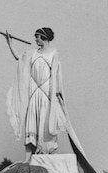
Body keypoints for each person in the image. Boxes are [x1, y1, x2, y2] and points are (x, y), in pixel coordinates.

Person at [5, 27, 67, 159]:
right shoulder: (32, 53)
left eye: (37, 37)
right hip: (34, 95)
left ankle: (49, 155)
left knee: (46, 123)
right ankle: (28, 158)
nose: (35, 39)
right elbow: (18, 58)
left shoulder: (54, 53)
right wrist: (9, 42)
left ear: (43, 37)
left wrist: (57, 93)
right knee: (31, 124)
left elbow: (57, 75)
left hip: (46, 95)